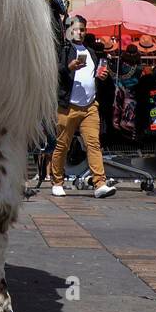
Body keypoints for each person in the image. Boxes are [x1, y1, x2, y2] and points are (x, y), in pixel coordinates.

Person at [50, 16, 115, 199]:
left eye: (83, 29)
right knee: (63, 144)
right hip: (68, 106)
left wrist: (102, 77)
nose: (80, 32)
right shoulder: (62, 50)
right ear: (69, 30)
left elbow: (94, 77)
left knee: (93, 143)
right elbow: (53, 72)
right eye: (77, 29)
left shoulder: (91, 52)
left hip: (89, 106)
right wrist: (69, 67)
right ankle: (57, 181)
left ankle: (100, 183)